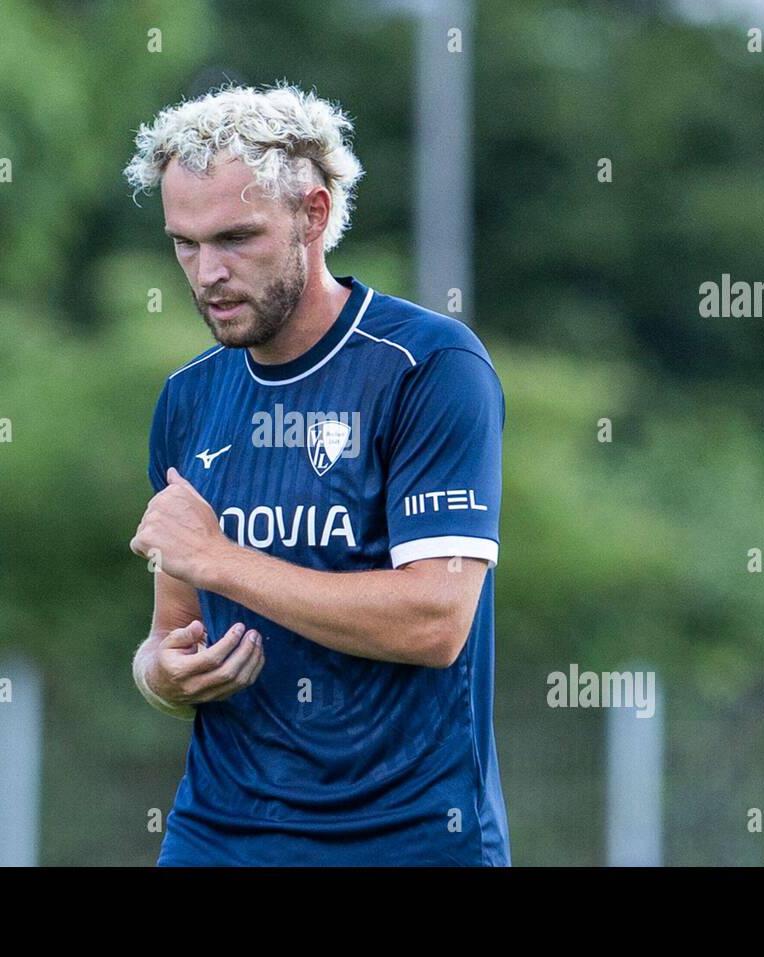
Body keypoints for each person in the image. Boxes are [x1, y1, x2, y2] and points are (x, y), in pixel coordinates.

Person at [122, 80, 510, 865]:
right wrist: (162, 675)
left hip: (408, 841)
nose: (207, 273)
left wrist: (222, 560)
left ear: (313, 216)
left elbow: (436, 620)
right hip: (218, 836)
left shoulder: (429, 366)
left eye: (236, 237)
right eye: (185, 243)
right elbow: (168, 633)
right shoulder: (188, 399)